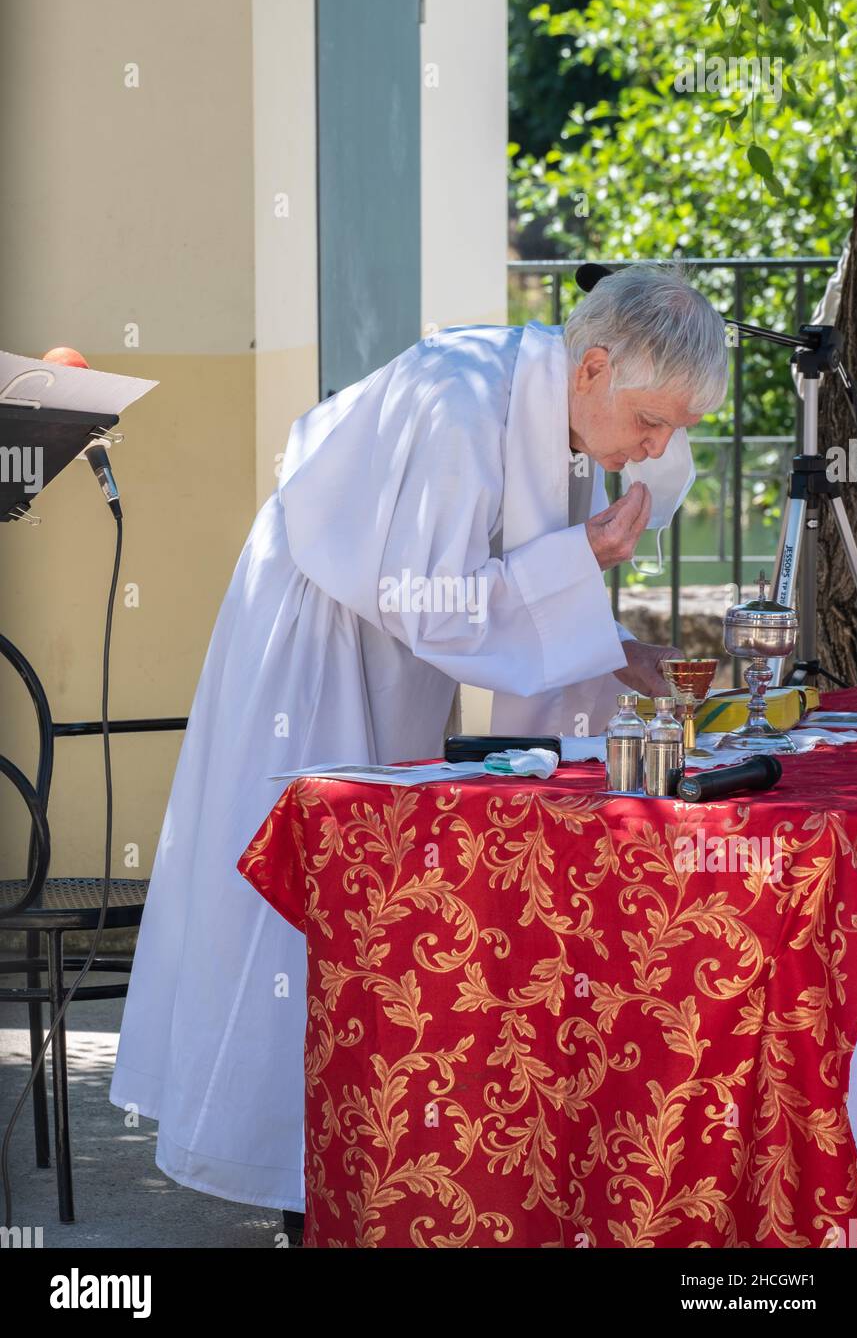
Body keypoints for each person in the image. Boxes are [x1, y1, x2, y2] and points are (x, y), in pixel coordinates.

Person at [110, 262, 729, 1211]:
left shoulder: (569, 414)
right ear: (595, 367)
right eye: (651, 422)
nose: (651, 452)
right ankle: (281, 1166)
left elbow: (501, 593)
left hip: (395, 645)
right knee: (300, 894)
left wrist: (612, 648)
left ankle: (356, 1148)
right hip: (320, 635)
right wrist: (584, 561)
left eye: (673, 434)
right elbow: (439, 606)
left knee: (369, 893)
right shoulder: (460, 399)